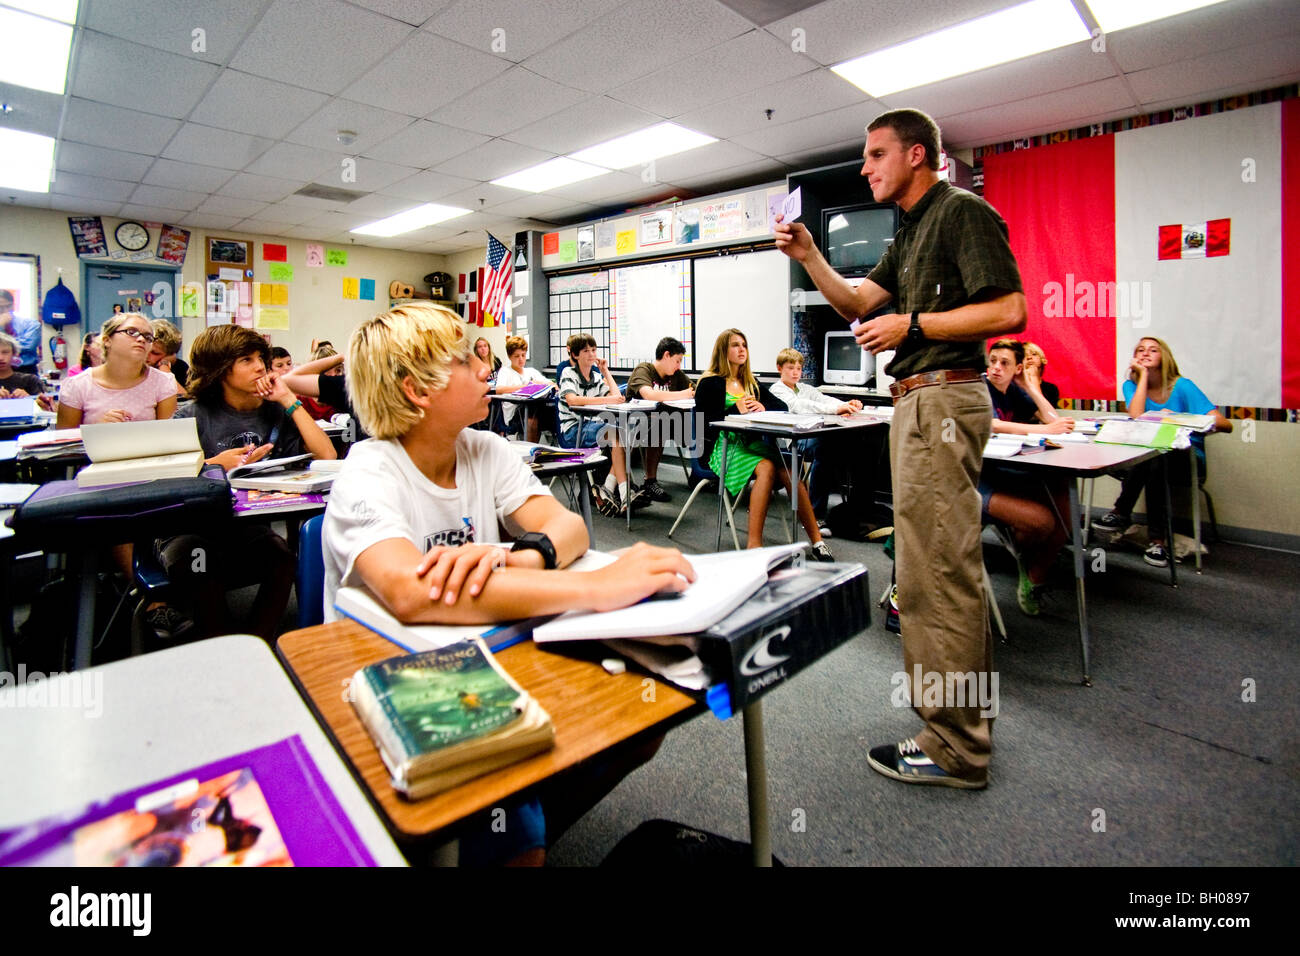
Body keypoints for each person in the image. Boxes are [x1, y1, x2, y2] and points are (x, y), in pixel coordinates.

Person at [322, 303, 696, 866]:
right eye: (464, 360)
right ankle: (501, 830)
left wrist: (525, 560)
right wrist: (598, 588)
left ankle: (519, 818)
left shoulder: (486, 448)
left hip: (491, 642)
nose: (485, 368)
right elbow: (409, 592)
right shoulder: (368, 470)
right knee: (515, 837)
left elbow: (565, 527)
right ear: (416, 391)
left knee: (641, 728)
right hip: (398, 677)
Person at [775, 108, 1027, 789]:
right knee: (922, 574)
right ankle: (947, 729)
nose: (865, 167)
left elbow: (1008, 311)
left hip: (944, 397)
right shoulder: (910, 231)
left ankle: (959, 747)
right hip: (917, 399)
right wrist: (809, 258)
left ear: (919, 155)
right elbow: (858, 303)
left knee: (942, 573)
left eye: (877, 154)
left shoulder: (962, 212)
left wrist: (911, 321)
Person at [159, 325, 337, 639]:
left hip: (245, 528)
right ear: (219, 369)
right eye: (246, 360)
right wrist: (215, 464)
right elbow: (164, 478)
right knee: (199, 563)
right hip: (191, 530)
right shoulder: (192, 416)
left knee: (280, 557)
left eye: (261, 358)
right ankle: (222, 643)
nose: (260, 366)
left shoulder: (275, 412)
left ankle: (261, 639)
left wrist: (288, 399)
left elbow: (327, 456)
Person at [54, 312, 186, 638]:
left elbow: (169, 437)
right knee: (119, 511)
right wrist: (94, 430)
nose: (143, 339)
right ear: (108, 339)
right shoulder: (78, 385)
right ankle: (155, 599)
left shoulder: (162, 382)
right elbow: (61, 443)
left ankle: (186, 579)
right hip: (101, 474)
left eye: (148, 336)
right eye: (132, 332)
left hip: (151, 469)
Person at [1092, 336, 1232, 567]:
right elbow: (1137, 415)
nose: (1145, 353)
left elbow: (1226, 425)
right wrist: (1144, 377)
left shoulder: (1183, 386)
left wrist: (1178, 418)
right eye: (1140, 350)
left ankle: (1122, 513)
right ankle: (1157, 541)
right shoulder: (1131, 386)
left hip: (1186, 459)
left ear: (1164, 356)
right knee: (1155, 456)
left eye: (1153, 350)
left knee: (1158, 456)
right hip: (1148, 458)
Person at [695, 330, 833, 560]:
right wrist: (733, 409)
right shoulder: (709, 383)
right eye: (735, 345)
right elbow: (705, 425)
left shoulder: (750, 382)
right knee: (767, 467)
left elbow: (781, 406)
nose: (742, 350)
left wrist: (762, 407)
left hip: (751, 446)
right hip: (723, 447)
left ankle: (817, 541)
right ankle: (754, 546)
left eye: (744, 345)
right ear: (723, 350)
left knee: (789, 471)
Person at [980, 339, 1074, 615]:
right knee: (1042, 522)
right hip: (977, 479)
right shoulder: (980, 387)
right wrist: (1042, 431)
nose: (996, 368)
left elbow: (1052, 419)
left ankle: (1034, 574)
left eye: (1005, 363)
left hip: (1008, 473)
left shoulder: (1014, 392)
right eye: (993, 360)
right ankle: (1023, 558)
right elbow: (991, 423)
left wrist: (1031, 387)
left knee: (1065, 516)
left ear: (1017, 368)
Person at [769, 347, 865, 536]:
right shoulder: (777, 390)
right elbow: (801, 406)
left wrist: (846, 404)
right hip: (792, 439)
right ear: (779, 368)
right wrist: (836, 409)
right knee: (825, 448)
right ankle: (815, 513)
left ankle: (859, 507)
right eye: (790, 368)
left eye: (798, 368)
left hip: (813, 434)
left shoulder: (805, 388)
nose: (796, 372)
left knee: (855, 444)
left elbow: (823, 399)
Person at [557, 333, 643, 517]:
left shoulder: (596, 377)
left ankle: (609, 488)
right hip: (574, 430)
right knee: (617, 434)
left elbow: (617, 398)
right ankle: (624, 492)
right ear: (575, 355)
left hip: (593, 426)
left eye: (594, 350)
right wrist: (607, 399)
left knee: (628, 434)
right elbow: (572, 400)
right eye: (586, 350)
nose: (591, 354)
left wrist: (605, 372)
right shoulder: (568, 373)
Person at [625, 336, 695, 503]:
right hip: (633, 422)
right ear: (666, 355)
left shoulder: (676, 375)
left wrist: (687, 393)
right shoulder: (644, 369)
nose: (679, 366)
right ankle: (647, 481)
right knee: (659, 423)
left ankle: (700, 474)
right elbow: (649, 395)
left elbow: (693, 389)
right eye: (677, 361)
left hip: (663, 422)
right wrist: (682, 394)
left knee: (694, 423)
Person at [494, 335, 552, 442]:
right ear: (510, 356)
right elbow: (498, 390)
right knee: (532, 409)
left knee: (549, 410)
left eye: (523, 355)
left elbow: (550, 384)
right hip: (514, 413)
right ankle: (531, 448)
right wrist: (525, 386)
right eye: (516, 356)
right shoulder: (505, 371)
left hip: (534, 408)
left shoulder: (531, 371)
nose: (521, 359)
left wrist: (544, 385)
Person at [0, 290, 42, 376]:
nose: (4, 311)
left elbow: (28, 346)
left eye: (8, 306)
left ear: (13, 305)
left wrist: (8, 345)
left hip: (26, 370)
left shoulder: (31, 324)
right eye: (0, 307)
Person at [0, 332, 47, 401]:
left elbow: (48, 407)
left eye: (5, 352)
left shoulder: (30, 380)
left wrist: (29, 399)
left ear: (14, 354)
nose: (0, 358)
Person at [147, 319, 189, 395]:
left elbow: (184, 402)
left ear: (169, 355)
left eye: (155, 353)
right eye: (146, 348)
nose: (146, 355)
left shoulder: (180, 367)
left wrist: (164, 366)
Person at [1020, 341, 1059, 407]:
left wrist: (1034, 378)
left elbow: (1046, 411)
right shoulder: (1015, 387)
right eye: (1024, 355)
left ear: (1042, 360)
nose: (1029, 357)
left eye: (1034, 354)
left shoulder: (1051, 389)